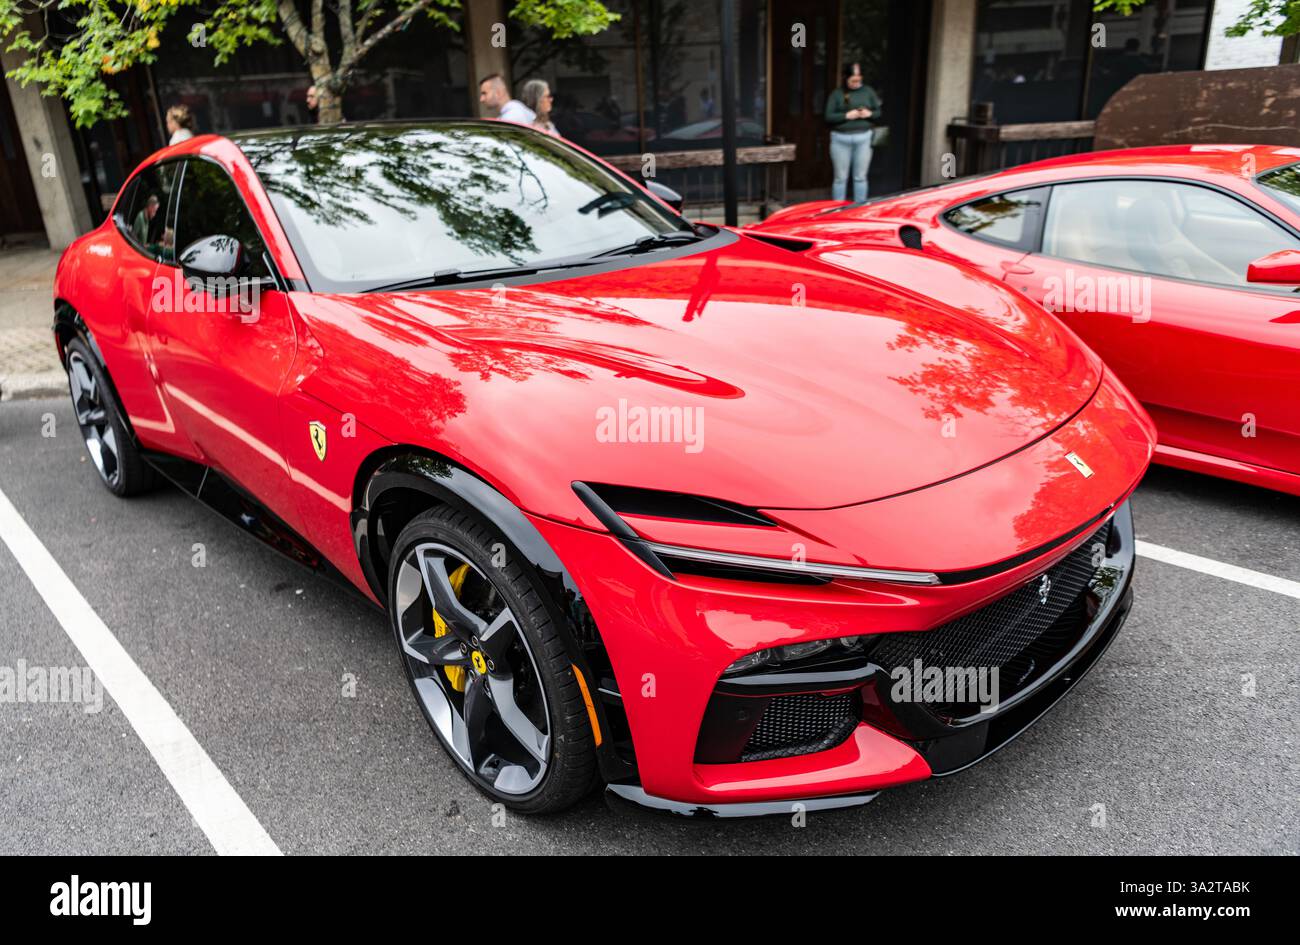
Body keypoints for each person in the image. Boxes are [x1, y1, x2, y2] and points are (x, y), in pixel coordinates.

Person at [823, 62, 882, 203]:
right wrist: (846, 116)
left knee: (860, 177)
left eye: (858, 80)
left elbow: (878, 113)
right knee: (840, 178)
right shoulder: (837, 93)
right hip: (840, 139)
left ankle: (859, 209)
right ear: (845, 78)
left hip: (863, 138)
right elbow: (827, 116)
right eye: (853, 80)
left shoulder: (868, 91)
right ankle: (838, 210)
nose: (856, 83)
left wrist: (869, 113)